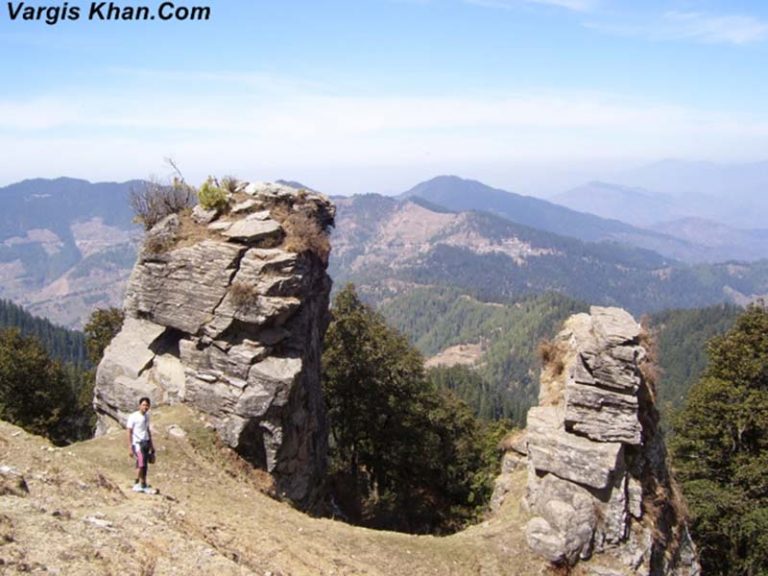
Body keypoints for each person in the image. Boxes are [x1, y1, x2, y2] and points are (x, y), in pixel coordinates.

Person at [127, 397, 155, 494]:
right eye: (143, 405)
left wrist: (151, 445)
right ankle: (137, 484)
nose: (145, 407)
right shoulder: (133, 416)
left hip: (145, 442)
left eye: (147, 405)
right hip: (137, 443)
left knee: (144, 465)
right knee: (141, 463)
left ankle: (142, 483)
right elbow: (129, 431)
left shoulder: (147, 416)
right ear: (139, 405)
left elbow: (147, 430)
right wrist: (130, 446)